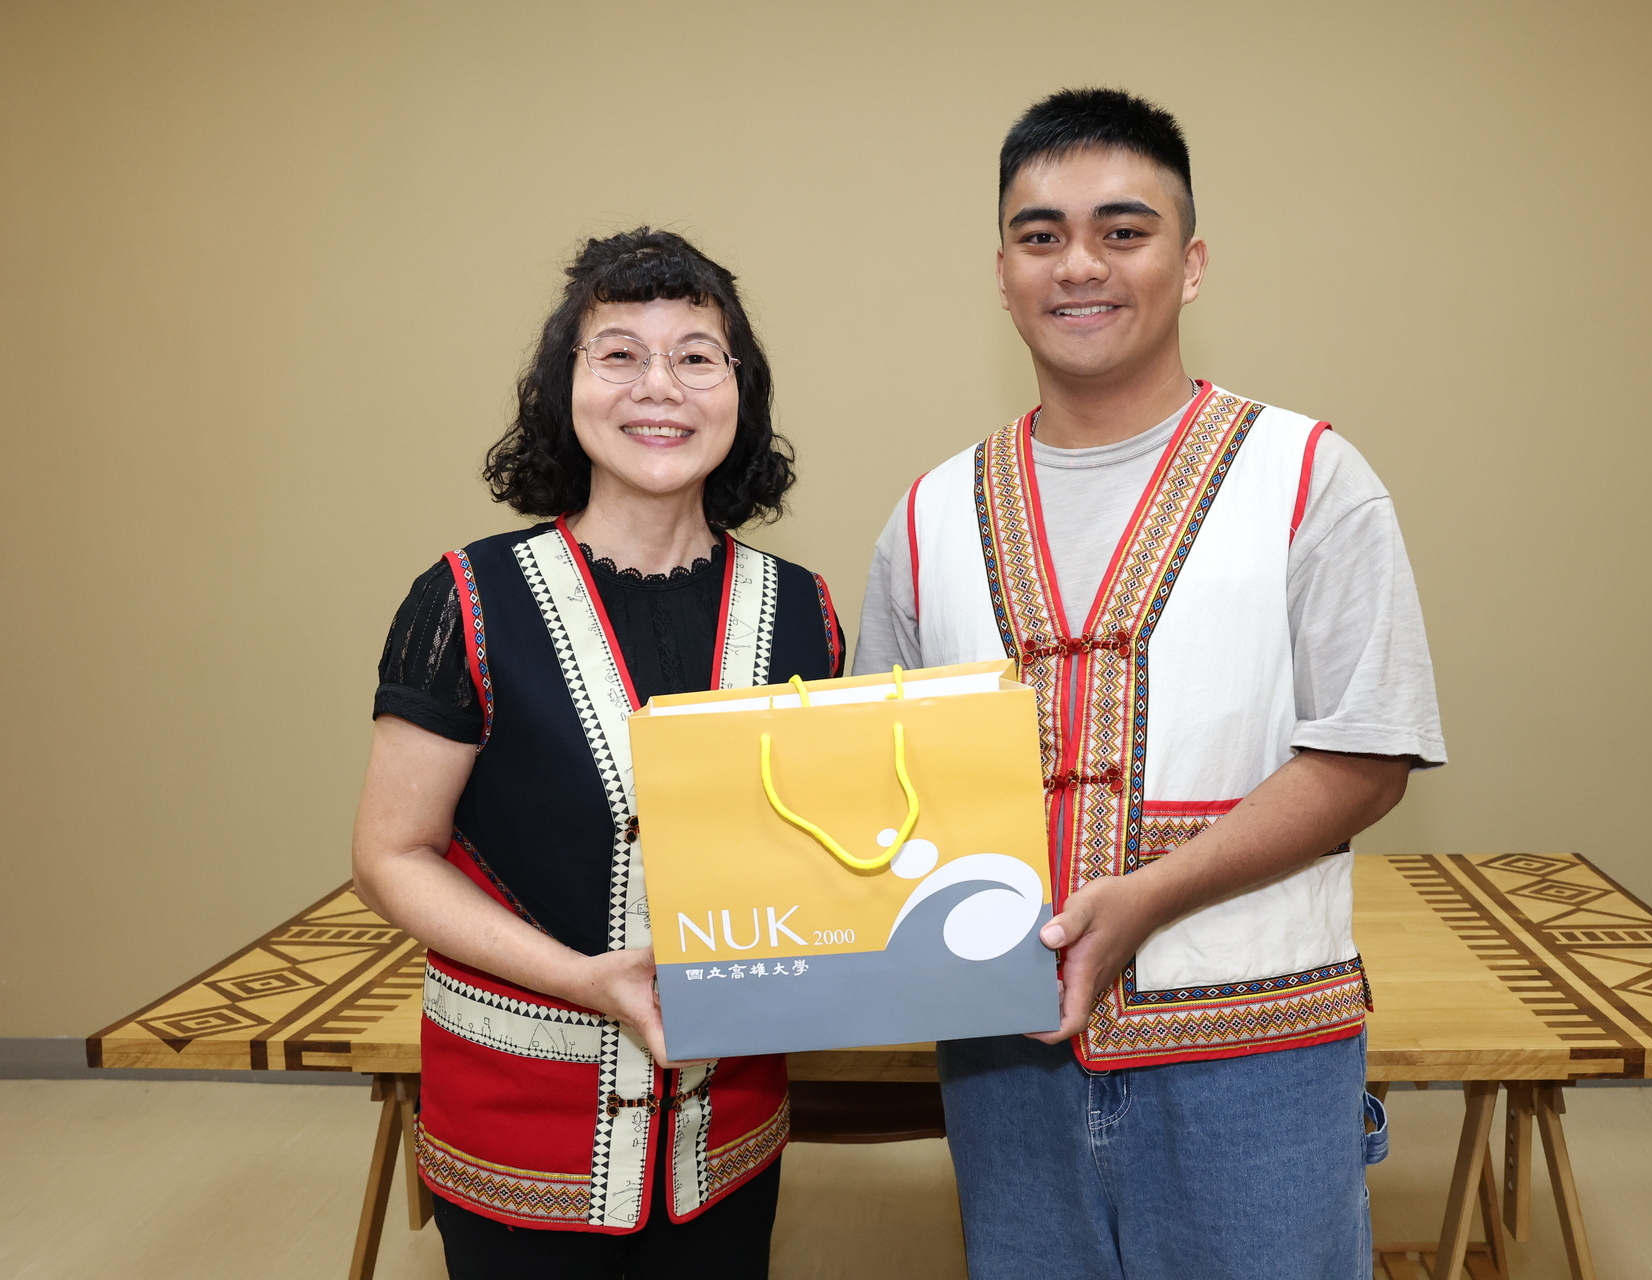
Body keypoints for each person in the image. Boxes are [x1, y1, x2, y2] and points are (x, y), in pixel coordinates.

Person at [854, 89, 1446, 1279]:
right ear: (1004, 269)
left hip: (1258, 1049)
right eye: (1041, 235)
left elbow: (1367, 754)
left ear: (1192, 261)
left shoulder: (1310, 477)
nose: (1080, 264)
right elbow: (883, 781)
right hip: (1005, 1060)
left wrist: (1147, 895)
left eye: (1124, 230)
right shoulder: (927, 516)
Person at [352, 228, 844, 1279]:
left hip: (728, 1137)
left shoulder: (807, 611)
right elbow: (393, 853)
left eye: (696, 356)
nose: (657, 385)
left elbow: (820, 851)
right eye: (618, 352)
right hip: (520, 1133)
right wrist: (584, 976)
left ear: (739, 391)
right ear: (562, 388)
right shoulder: (466, 598)